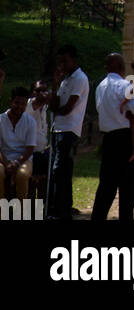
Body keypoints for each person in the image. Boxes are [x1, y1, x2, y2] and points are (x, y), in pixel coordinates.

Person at [91, 54, 134, 222]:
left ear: (106, 68)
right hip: (125, 139)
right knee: (127, 188)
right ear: (123, 68)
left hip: (108, 139)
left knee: (106, 186)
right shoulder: (125, 85)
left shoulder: (100, 86)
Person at [46, 44, 89, 220]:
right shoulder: (65, 80)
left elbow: (67, 108)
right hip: (57, 128)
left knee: (60, 169)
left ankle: (60, 209)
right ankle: (63, 207)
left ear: (74, 59)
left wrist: (57, 108)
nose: (62, 65)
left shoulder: (80, 79)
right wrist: (55, 84)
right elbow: (54, 105)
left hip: (69, 129)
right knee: (60, 170)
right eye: (60, 61)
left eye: (65, 61)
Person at [0, 87, 37, 201]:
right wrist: (7, 164)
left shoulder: (30, 121)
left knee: (22, 175)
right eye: (17, 103)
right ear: (11, 101)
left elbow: (30, 149)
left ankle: (21, 213)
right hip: (3, 159)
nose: (20, 107)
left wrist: (16, 163)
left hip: (24, 160)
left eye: (23, 104)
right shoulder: (0, 120)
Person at [27, 79, 51, 185]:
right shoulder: (28, 106)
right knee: (31, 185)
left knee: (43, 184)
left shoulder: (45, 108)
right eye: (38, 90)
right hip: (30, 154)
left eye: (44, 90)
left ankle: (42, 202)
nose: (42, 94)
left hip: (42, 152)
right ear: (33, 93)